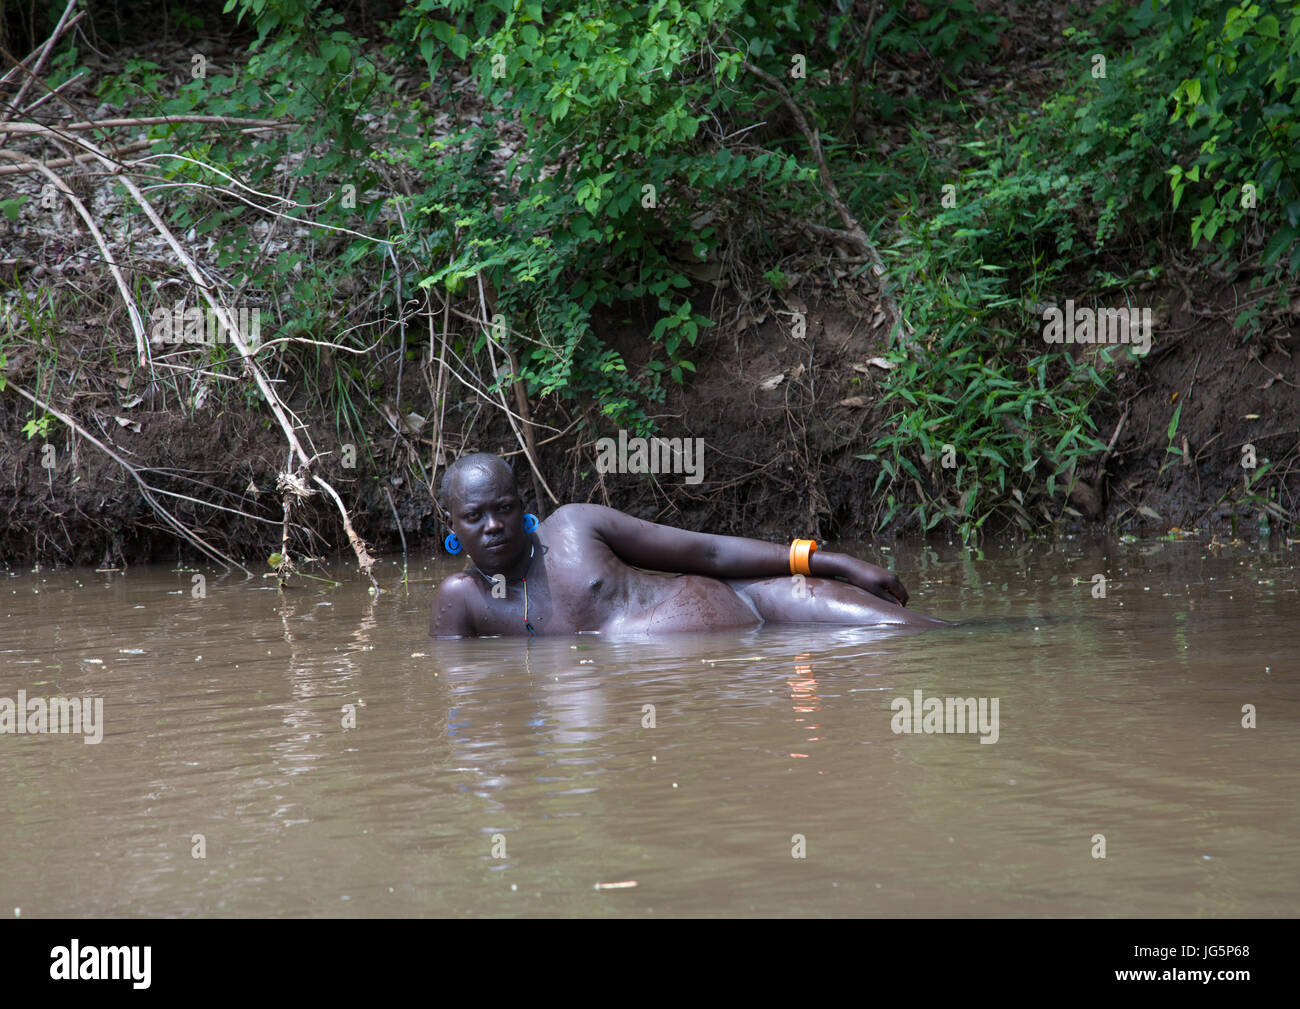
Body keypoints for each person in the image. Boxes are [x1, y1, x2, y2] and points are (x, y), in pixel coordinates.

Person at [428, 453, 947, 638]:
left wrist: (834, 561)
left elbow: (708, 554)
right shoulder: (464, 599)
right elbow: (471, 694)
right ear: (453, 528)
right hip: (738, 688)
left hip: (763, 606)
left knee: (930, 635)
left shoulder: (572, 527)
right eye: (475, 516)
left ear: (526, 509)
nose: (494, 525)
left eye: (504, 508)